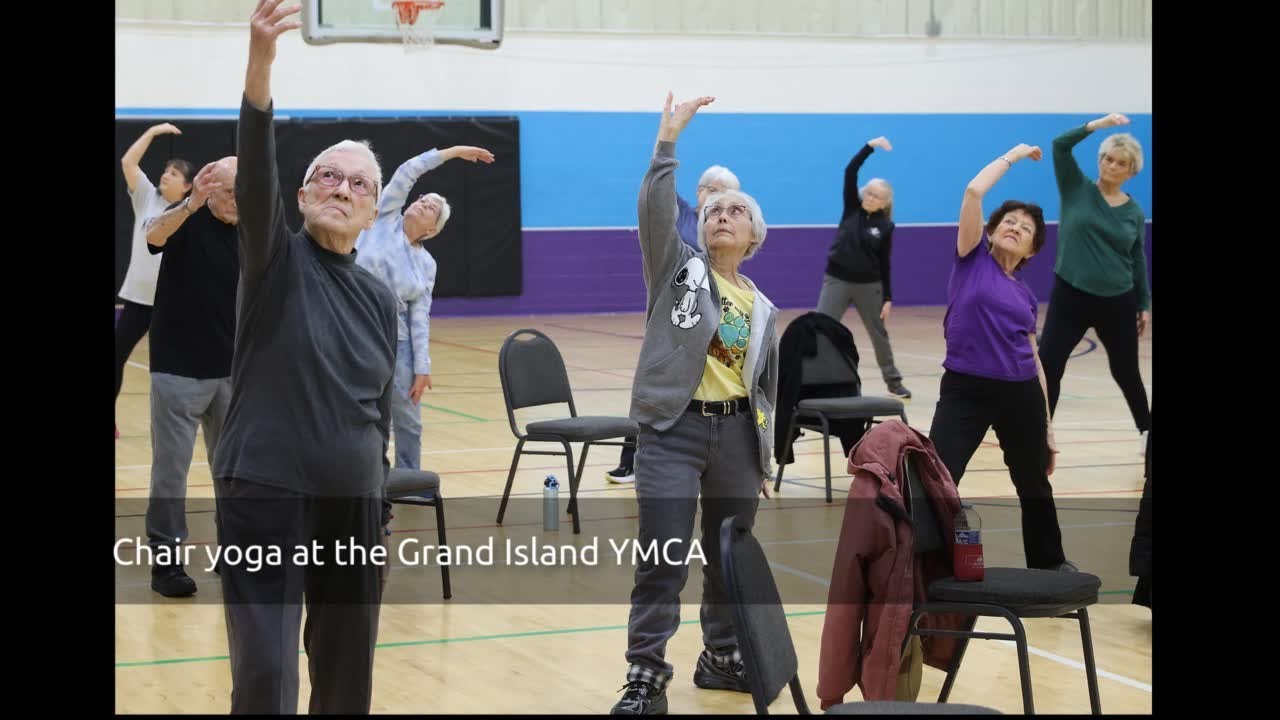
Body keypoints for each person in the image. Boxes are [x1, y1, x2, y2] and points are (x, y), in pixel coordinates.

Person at [209, 0, 398, 713]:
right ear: (302, 193)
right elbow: (254, 170)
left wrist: (379, 508)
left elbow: (379, 411)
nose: (341, 187)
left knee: (347, 674)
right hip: (264, 492)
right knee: (267, 674)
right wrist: (261, 61)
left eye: (358, 183)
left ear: (372, 212)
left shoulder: (379, 298)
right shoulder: (274, 260)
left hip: (353, 503)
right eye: (327, 176)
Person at [611, 93, 780, 715]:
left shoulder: (763, 308)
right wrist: (667, 146)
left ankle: (722, 656)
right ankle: (645, 675)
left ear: (754, 234)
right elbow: (655, 212)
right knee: (663, 558)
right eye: (712, 211)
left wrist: (763, 457)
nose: (722, 217)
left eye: (736, 211)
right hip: (672, 432)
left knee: (727, 558)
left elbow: (764, 390)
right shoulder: (677, 269)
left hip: (736, 440)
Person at [927, 142, 1074, 572]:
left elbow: (1035, 360)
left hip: (1021, 393)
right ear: (990, 232)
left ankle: (1050, 566)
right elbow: (974, 191)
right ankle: (925, 564)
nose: (1015, 227)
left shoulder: (1025, 296)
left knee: (1033, 485)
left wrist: (1048, 429)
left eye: (1025, 228)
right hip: (964, 389)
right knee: (938, 477)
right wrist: (1015, 155)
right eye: (1008, 221)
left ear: (1032, 250)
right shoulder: (971, 259)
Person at [355, 144, 495, 469]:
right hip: (353, 334)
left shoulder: (426, 264)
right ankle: (361, 479)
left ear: (432, 230)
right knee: (359, 417)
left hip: (397, 344)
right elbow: (407, 172)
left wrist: (422, 369)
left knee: (409, 421)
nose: (421, 203)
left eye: (430, 207)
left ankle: (409, 481)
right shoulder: (382, 218)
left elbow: (420, 318)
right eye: (421, 199)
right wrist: (453, 152)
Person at [605, 164, 741, 485]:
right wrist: (666, 147)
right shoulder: (681, 214)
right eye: (715, 191)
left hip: (713, 321)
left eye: (729, 196)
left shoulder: (724, 227)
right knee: (657, 390)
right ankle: (631, 461)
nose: (721, 201)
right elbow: (657, 191)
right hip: (675, 319)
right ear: (701, 191)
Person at [141, 156, 240, 598]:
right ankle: (166, 563)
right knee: (170, 472)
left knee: (233, 470)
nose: (238, 201)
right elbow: (152, 235)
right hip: (177, 369)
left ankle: (234, 553)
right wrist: (189, 204)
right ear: (210, 189)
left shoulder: (252, 231)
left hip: (231, 372)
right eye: (231, 192)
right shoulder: (185, 219)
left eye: (244, 192)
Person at [1038, 113, 1151, 454]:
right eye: (1107, 158)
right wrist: (1097, 126)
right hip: (1070, 296)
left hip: (1117, 300)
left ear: (1131, 171)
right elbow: (1059, 145)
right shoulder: (1076, 187)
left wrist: (1144, 303)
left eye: (1120, 163)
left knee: (1126, 371)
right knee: (1049, 364)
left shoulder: (1133, 212)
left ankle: (1147, 431)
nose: (1111, 165)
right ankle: (1040, 433)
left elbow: (1137, 258)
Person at [815, 135, 910, 399]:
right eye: (867, 192)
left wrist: (888, 297)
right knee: (819, 327)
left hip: (869, 286)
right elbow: (850, 171)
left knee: (878, 334)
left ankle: (893, 381)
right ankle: (810, 375)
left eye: (875, 195)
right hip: (837, 280)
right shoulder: (851, 208)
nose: (869, 197)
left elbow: (885, 263)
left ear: (884, 202)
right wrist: (870, 146)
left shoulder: (886, 226)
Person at [117, 124, 193, 437]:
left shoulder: (191, 213)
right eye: (166, 170)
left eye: (174, 174)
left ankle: (185, 422)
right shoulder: (146, 198)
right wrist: (153, 132)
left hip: (172, 305)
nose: (166, 175)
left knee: (176, 369)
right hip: (138, 300)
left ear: (188, 186)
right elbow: (128, 162)